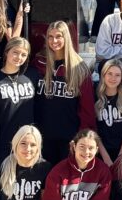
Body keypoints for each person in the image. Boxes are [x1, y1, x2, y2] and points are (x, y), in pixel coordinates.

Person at [34, 21, 96, 163]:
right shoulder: (38, 63)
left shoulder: (79, 68)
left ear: (66, 38)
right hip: (42, 138)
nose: (54, 41)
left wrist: (82, 138)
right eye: (50, 37)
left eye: (58, 36)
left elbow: (87, 109)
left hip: (69, 140)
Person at [0, 37, 40, 164]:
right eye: (15, 52)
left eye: (23, 54)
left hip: (29, 142)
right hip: (5, 141)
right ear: (7, 52)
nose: (19, 57)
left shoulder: (32, 76)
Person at [94, 59, 122, 167]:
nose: (113, 78)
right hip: (99, 151)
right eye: (110, 74)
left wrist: (120, 157)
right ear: (103, 75)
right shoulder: (94, 97)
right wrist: (105, 157)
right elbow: (93, 130)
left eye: (117, 75)